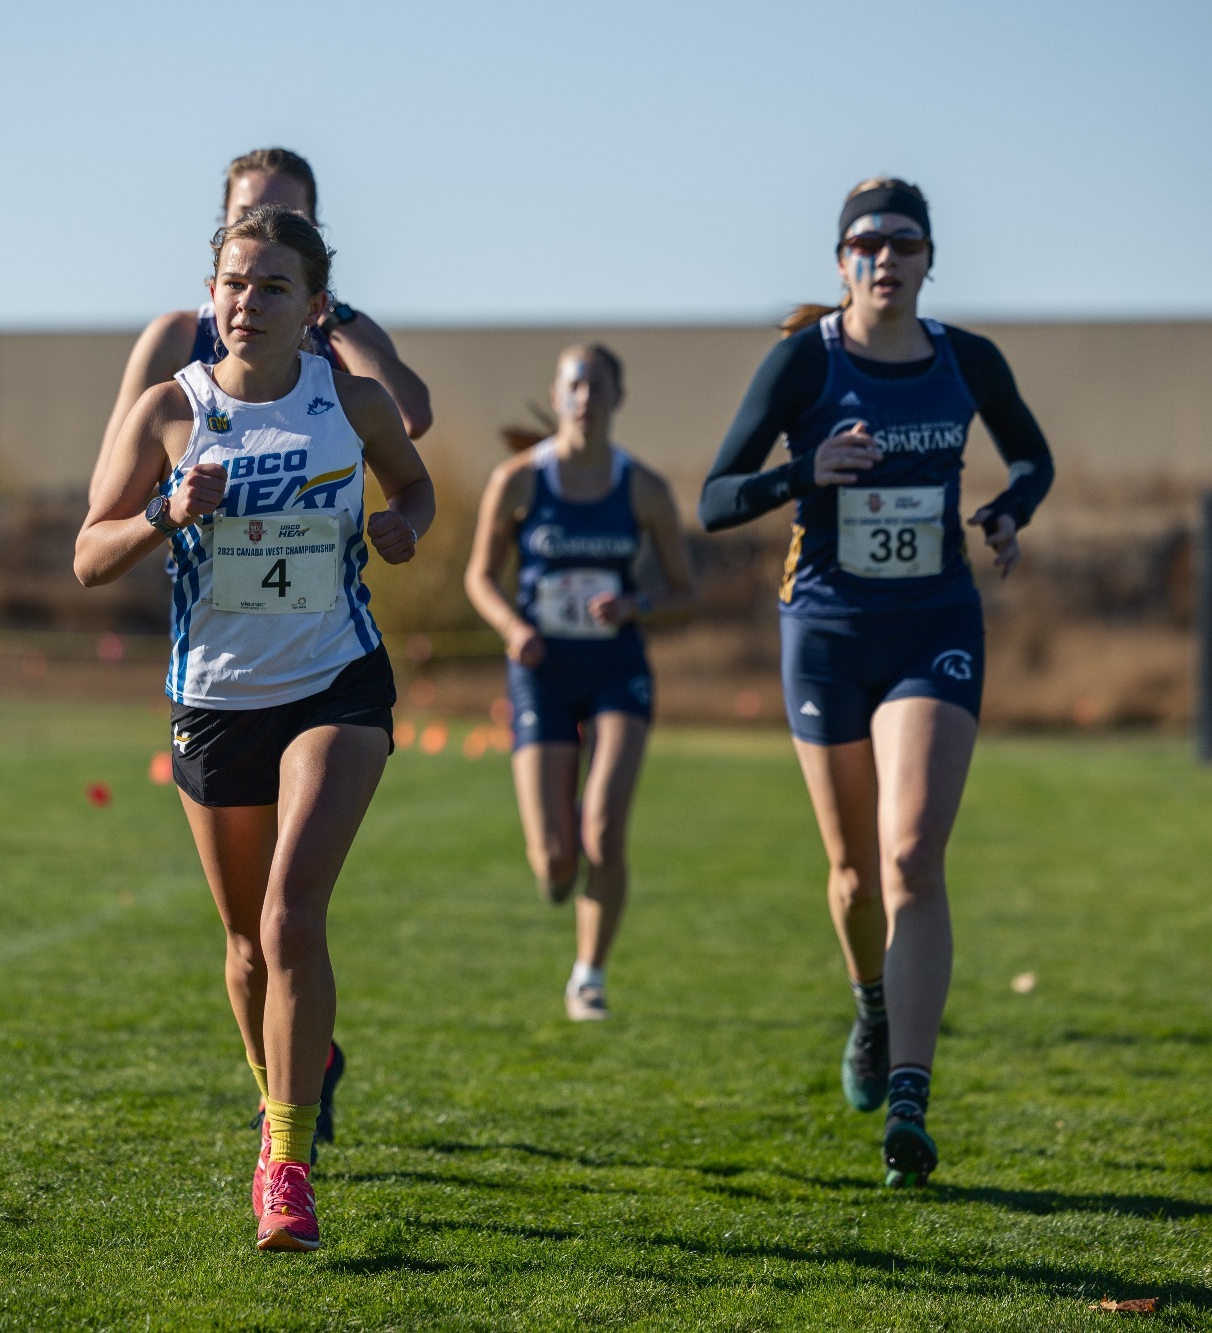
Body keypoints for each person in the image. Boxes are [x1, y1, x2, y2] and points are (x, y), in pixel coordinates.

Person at [74, 204, 434, 1250]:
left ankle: (284, 1158)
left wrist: (403, 523)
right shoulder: (167, 412)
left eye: (273, 286)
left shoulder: (350, 399)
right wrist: (164, 513)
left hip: (335, 685)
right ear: (210, 296)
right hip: (216, 701)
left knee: (287, 916)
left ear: (313, 306)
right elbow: (89, 555)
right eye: (234, 282)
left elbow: (410, 480)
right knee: (243, 949)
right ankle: (294, 1066)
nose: (248, 302)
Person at [698, 178, 1054, 1187]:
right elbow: (716, 497)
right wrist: (806, 467)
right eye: (865, 243)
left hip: (931, 625)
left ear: (928, 258)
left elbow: (1032, 457)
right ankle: (867, 1005)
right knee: (852, 871)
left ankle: (908, 1094)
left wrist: (1005, 508)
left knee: (909, 857)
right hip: (824, 630)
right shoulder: (801, 363)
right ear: (840, 262)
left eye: (903, 242)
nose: (884, 258)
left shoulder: (964, 358)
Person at [465, 345, 696, 1022]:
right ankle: (559, 873)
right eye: (575, 385)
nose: (586, 396)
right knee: (557, 858)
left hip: (617, 669)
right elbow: (479, 576)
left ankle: (589, 974)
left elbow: (686, 591)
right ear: (557, 394)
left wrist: (638, 606)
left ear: (618, 397)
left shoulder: (645, 488)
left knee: (603, 829)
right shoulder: (517, 481)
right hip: (540, 671)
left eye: (598, 385)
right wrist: (512, 626)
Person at [90, 148, 432, 512]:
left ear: (314, 226)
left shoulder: (345, 327)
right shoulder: (178, 335)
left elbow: (409, 420)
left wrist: (329, 316)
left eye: (286, 215)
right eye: (248, 213)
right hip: (202, 566)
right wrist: (174, 508)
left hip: (325, 564)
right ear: (224, 221)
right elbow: (108, 495)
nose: (267, 223)